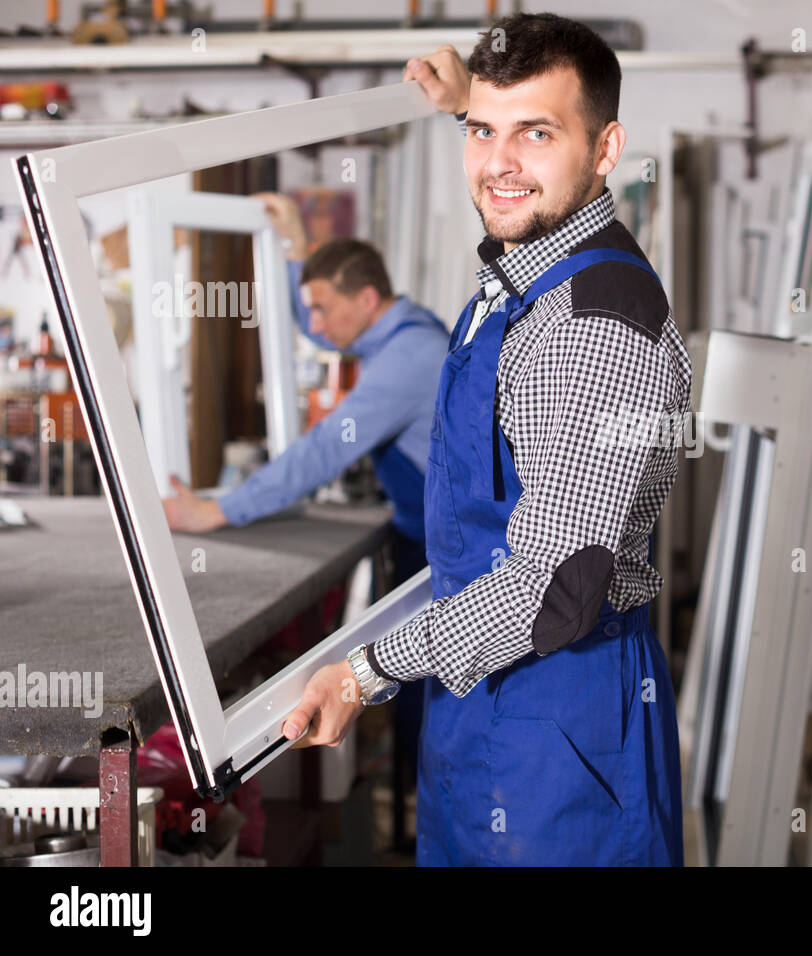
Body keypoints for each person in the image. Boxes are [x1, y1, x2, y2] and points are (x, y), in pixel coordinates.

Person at [282, 13, 692, 866]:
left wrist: (365, 671)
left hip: (564, 735)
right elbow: (517, 158)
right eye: (480, 132)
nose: (498, 163)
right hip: (480, 703)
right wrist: (475, 102)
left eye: (535, 134)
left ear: (606, 150)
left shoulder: (596, 324)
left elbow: (554, 588)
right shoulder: (522, 279)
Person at [163, 195, 449, 590]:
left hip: (443, 543)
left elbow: (326, 447)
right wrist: (296, 248)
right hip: (423, 526)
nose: (314, 324)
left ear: (366, 299)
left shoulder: (411, 356)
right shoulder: (397, 326)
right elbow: (321, 327)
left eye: (322, 309)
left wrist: (217, 511)